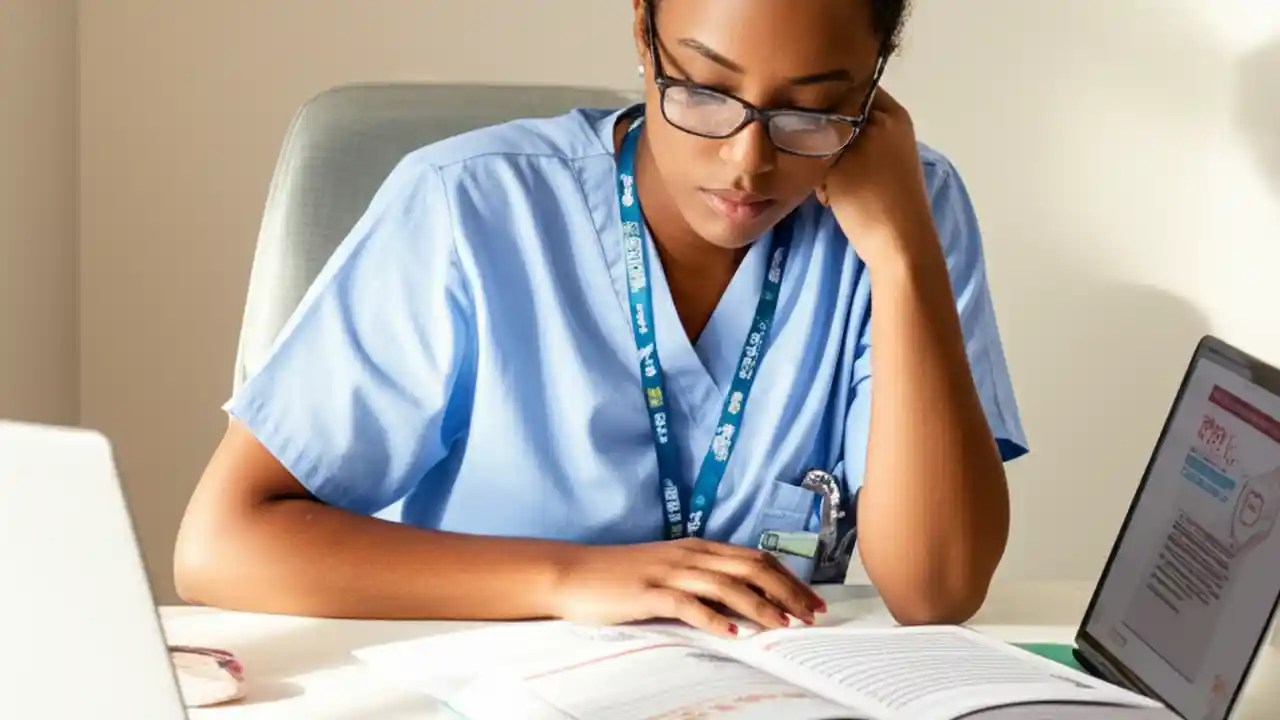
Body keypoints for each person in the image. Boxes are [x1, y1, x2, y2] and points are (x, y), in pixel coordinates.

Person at [174, 0, 1029, 637]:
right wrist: (566, 578)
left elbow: (937, 591)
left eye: (812, 112)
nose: (747, 162)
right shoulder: (467, 207)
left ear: (873, 90)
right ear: (642, 34)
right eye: (703, 90)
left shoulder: (909, 207)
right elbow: (221, 545)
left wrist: (903, 256)